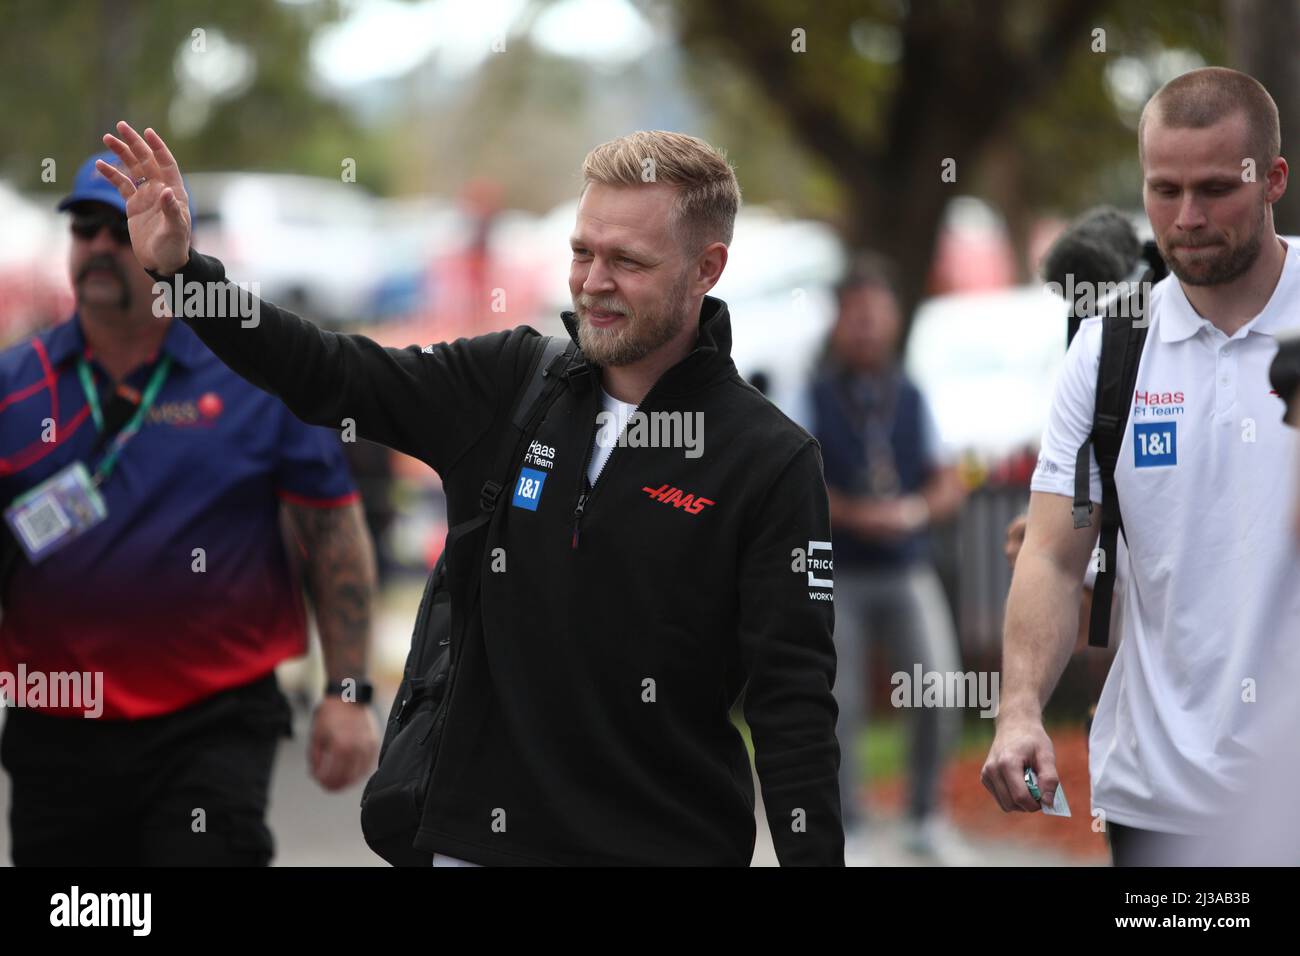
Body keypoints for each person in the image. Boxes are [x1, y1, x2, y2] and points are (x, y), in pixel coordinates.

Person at [96, 123, 845, 866]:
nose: (593, 282)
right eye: (582, 252)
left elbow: (793, 706)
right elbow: (330, 372)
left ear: (707, 267)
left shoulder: (770, 460)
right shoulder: (511, 383)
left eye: (629, 261)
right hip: (477, 844)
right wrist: (185, 275)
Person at [0, 151, 380, 866]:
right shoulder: (14, 383)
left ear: (170, 242)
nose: (101, 246)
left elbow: (330, 527)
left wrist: (349, 690)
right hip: (54, 724)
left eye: (121, 227)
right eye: (85, 228)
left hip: (212, 725)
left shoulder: (253, 377)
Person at [981, 67, 1300, 865]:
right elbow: (1055, 556)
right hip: (1159, 800)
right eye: (1164, 190)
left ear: (1274, 180)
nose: (1186, 219)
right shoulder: (1111, 346)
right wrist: (1019, 711)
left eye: (1215, 189)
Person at [806, 255, 966, 859]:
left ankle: (926, 815)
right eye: (856, 315)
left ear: (895, 319)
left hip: (905, 565)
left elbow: (950, 480)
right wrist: (856, 514)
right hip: (839, 569)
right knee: (839, 700)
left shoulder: (915, 395)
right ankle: (848, 824)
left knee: (939, 685)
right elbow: (798, 485)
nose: (867, 327)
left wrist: (914, 512)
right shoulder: (812, 393)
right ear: (838, 322)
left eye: (877, 314)